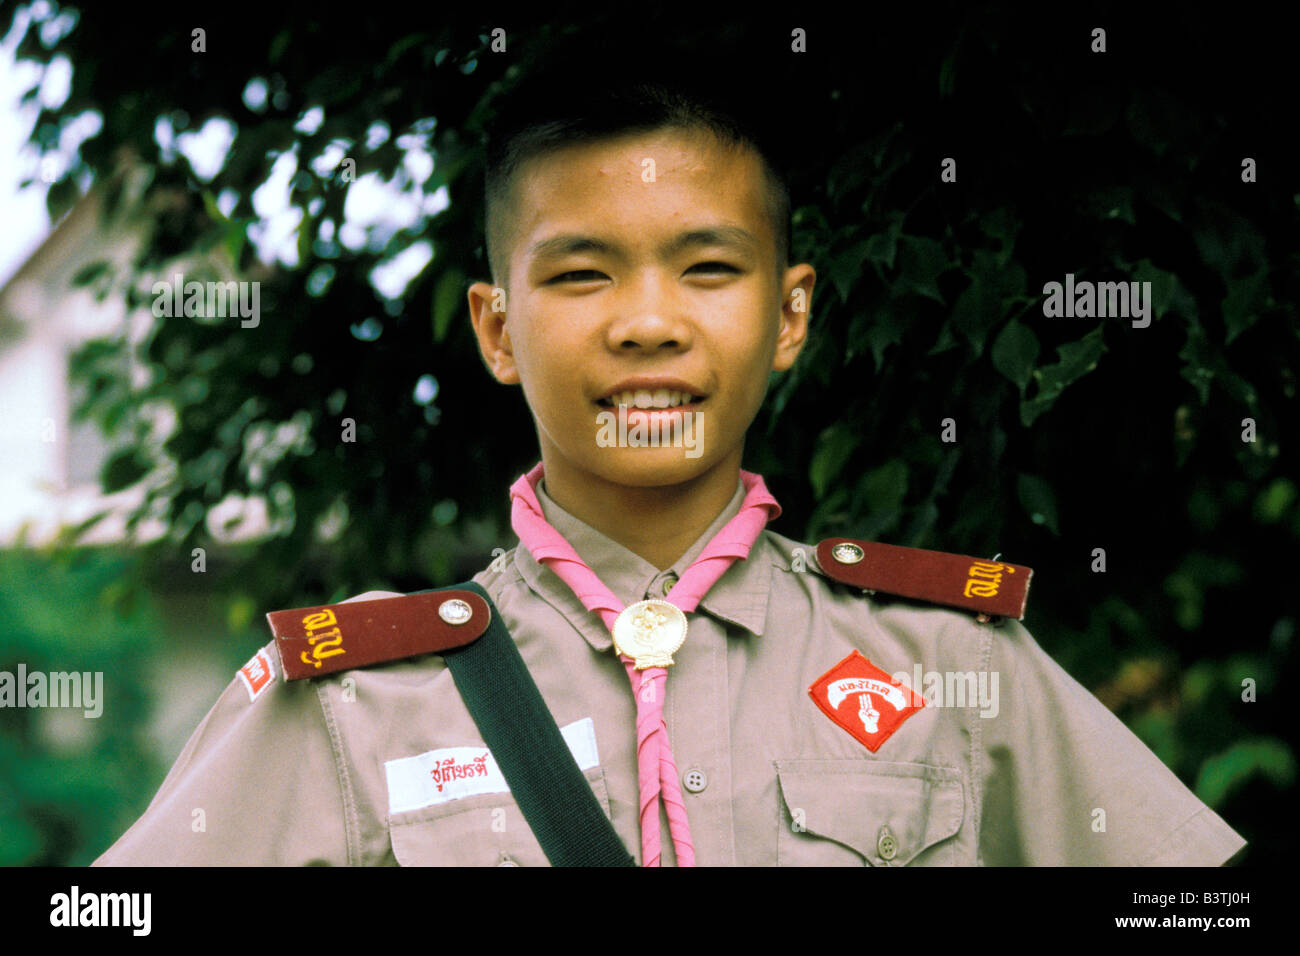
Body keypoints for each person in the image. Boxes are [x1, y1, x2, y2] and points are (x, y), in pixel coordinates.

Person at [94, 71, 1246, 868]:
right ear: (497, 329)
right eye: (583, 275)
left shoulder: (947, 654)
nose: (647, 323)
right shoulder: (355, 697)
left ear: (789, 312)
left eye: (705, 267)